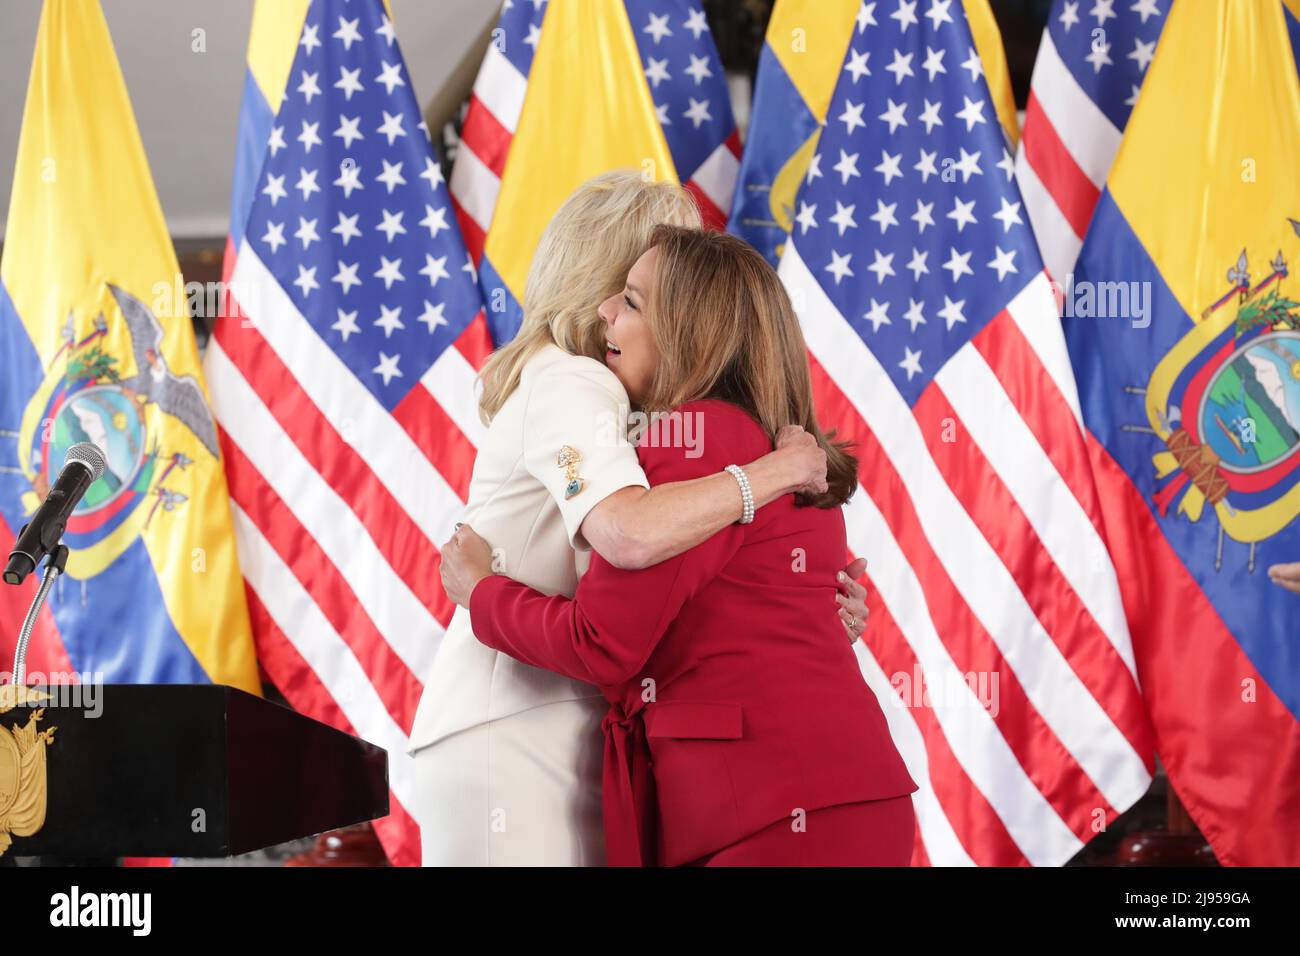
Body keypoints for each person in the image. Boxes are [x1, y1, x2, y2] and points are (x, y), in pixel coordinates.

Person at [409, 172, 871, 866]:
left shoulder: (670, 420)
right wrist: (777, 474)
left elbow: (681, 583)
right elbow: (631, 534)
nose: (612, 314)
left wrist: (809, 606)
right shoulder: (576, 381)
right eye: (629, 291)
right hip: (516, 730)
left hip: (559, 725)